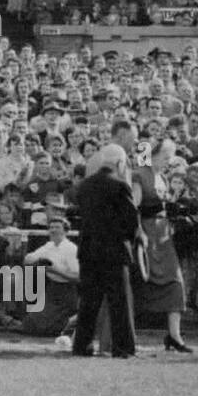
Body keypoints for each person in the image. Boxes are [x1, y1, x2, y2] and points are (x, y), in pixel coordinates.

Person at [71, 144, 139, 358]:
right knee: (119, 302)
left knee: (88, 302)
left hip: (88, 250)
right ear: (120, 163)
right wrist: (130, 240)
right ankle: (123, 347)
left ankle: (82, 345)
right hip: (114, 251)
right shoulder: (120, 185)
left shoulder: (84, 185)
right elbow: (131, 221)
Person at [133, 138, 191, 352]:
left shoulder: (163, 179)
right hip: (147, 233)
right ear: (153, 155)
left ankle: (175, 335)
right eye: (165, 157)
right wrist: (139, 231)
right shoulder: (139, 175)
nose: (168, 161)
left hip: (164, 235)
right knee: (140, 282)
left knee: (176, 283)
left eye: (170, 158)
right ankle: (129, 335)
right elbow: (134, 206)